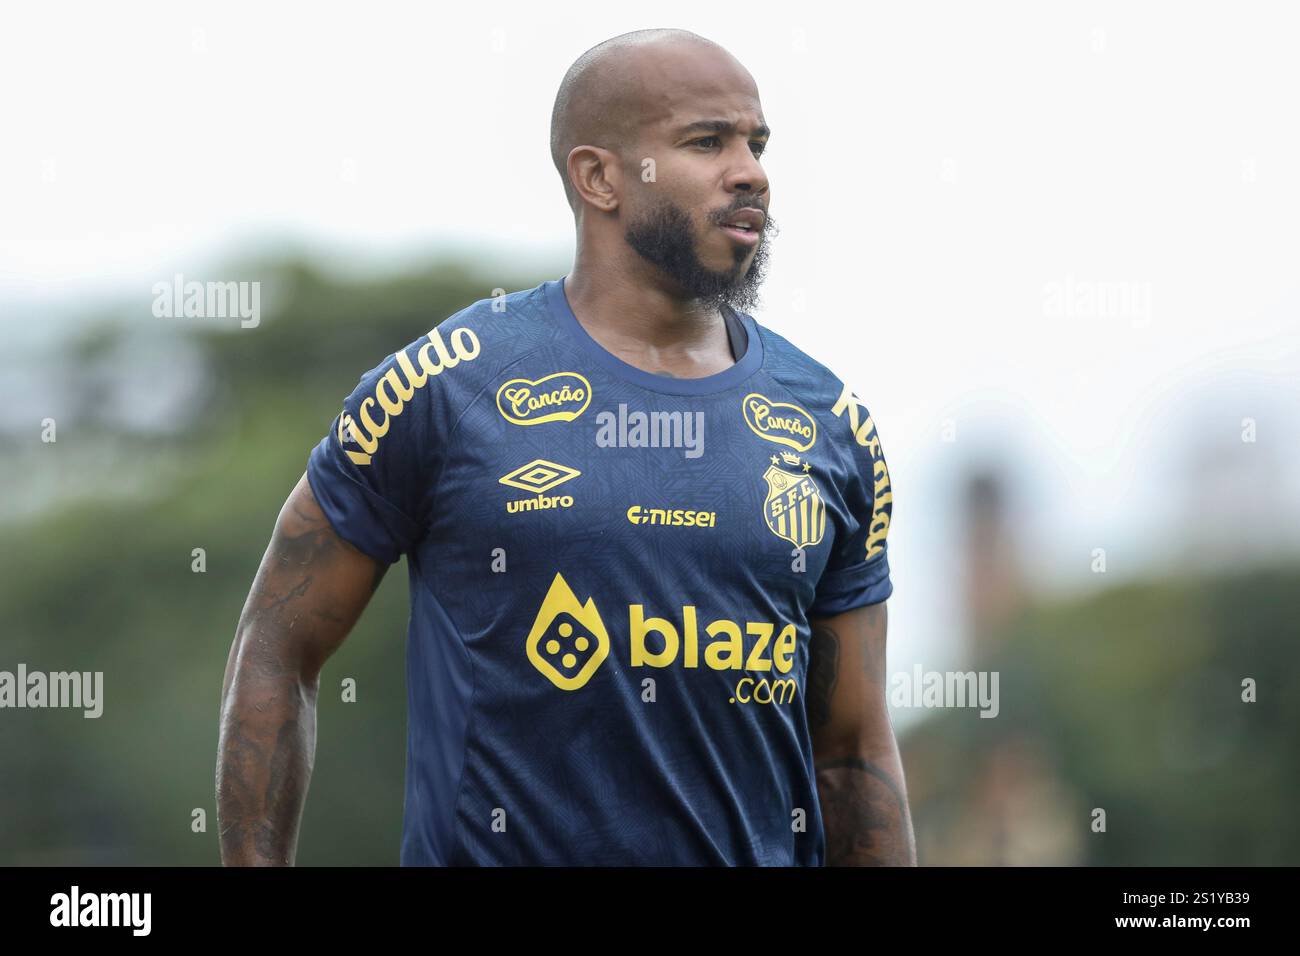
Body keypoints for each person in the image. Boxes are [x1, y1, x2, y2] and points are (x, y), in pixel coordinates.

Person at [217, 27, 913, 866]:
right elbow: (277, 646)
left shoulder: (831, 425)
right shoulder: (447, 386)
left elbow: (853, 752)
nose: (751, 171)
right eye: (707, 141)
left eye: (757, 143)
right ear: (599, 177)